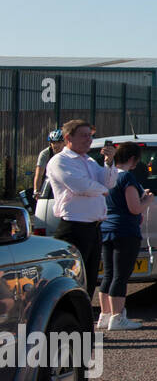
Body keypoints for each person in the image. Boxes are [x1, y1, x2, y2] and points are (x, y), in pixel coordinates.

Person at [45, 120, 118, 324]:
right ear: (69, 138)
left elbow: (108, 181)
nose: (89, 140)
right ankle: (68, 323)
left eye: (90, 135)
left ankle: (84, 326)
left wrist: (109, 162)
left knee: (89, 280)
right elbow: (80, 186)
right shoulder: (60, 161)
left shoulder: (88, 161)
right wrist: (102, 189)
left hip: (93, 228)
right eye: (84, 135)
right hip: (73, 227)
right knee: (72, 281)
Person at [98, 142, 155, 331]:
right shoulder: (127, 178)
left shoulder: (107, 177)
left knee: (108, 274)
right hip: (125, 230)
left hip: (106, 228)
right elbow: (134, 208)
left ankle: (104, 315)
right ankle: (118, 317)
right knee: (121, 276)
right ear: (132, 159)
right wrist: (147, 200)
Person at [33, 129, 64, 197]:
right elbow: (39, 174)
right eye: (53, 142)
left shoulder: (69, 152)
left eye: (59, 142)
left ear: (65, 143)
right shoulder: (45, 154)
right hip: (49, 185)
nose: (56, 145)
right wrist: (36, 191)